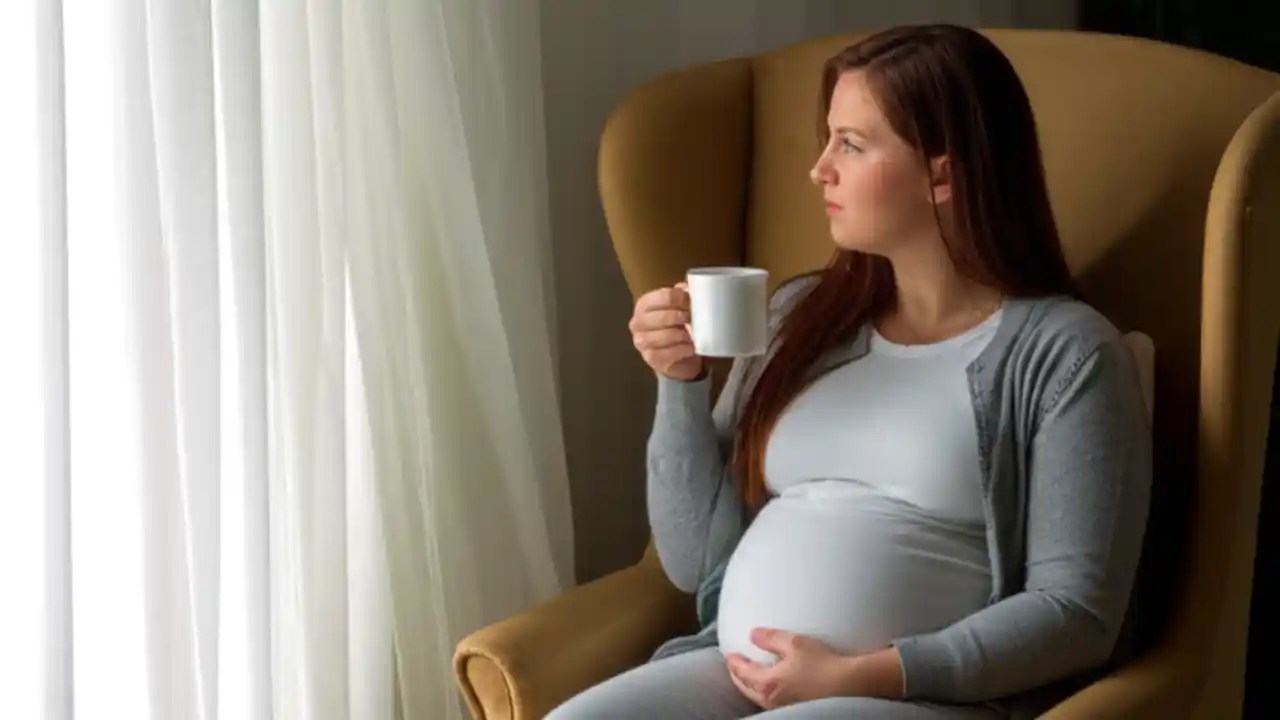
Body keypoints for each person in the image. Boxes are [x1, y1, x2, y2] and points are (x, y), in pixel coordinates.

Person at [548, 23, 1151, 719]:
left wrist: (864, 675)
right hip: (734, 672)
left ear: (943, 174)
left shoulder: (1066, 355)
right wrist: (679, 383)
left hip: (917, 697)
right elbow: (693, 560)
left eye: (852, 145)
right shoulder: (800, 317)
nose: (819, 168)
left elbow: (1075, 613)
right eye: (827, 137)